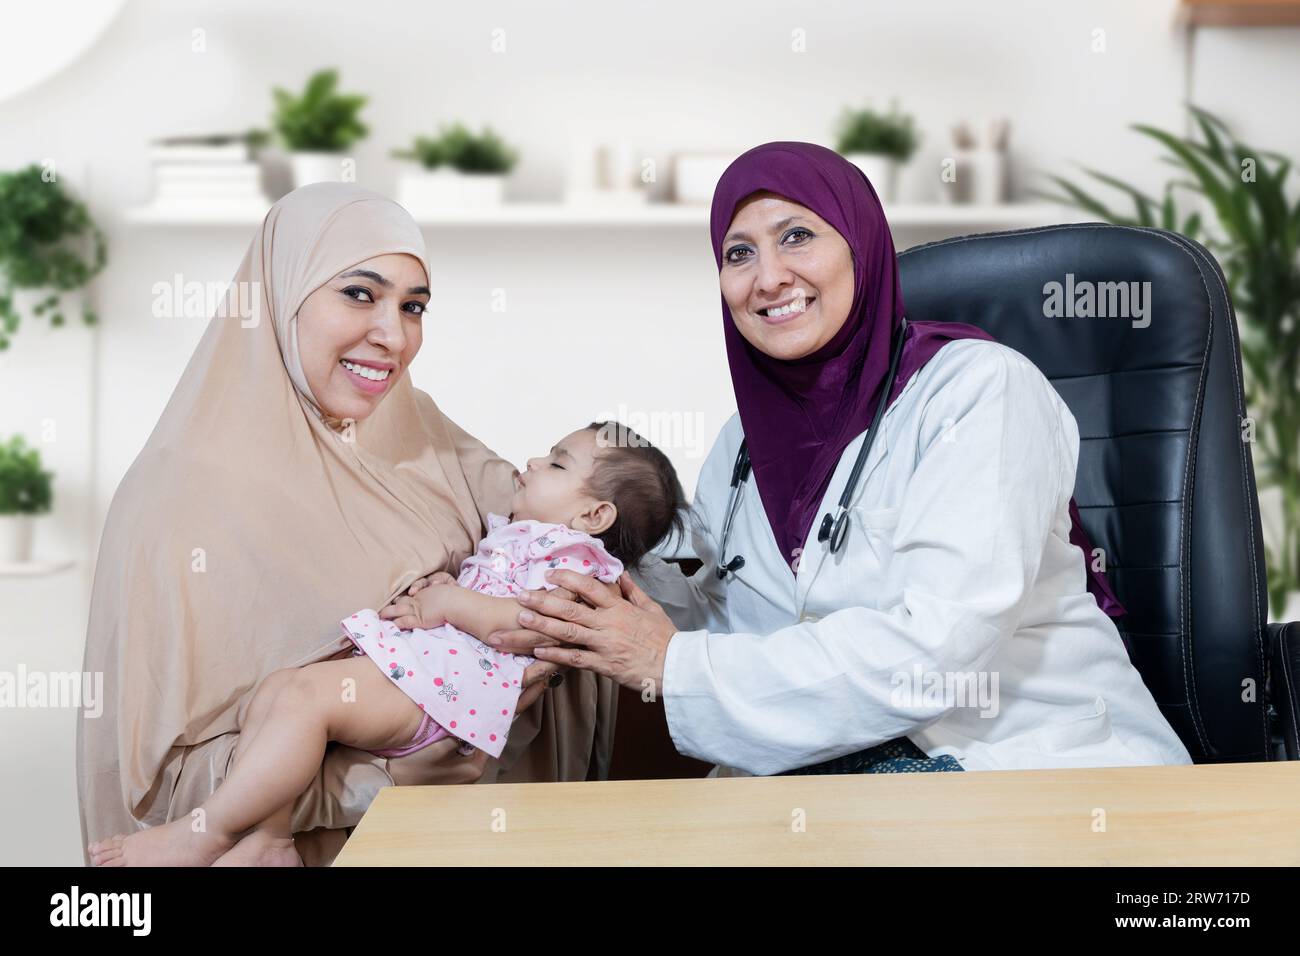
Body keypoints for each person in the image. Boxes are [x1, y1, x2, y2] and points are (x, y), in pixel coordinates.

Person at [487, 141, 1193, 776]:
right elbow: (721, 615)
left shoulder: (980, 391)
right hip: (821, 772)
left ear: (860, 245)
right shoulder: (741, 445)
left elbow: (938, 651)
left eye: (796, 236)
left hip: (1009, 759)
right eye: (738, 253)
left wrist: (670, 662)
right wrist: (585, 578)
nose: (767, 278)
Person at [77, 183, 616, 867]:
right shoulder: (180, 497)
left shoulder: (419, 433)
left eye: (413, 306)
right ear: (282, 294)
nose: (393, 336)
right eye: (360, 294)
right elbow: (145, 793)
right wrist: (376, 782)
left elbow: (575, 530)